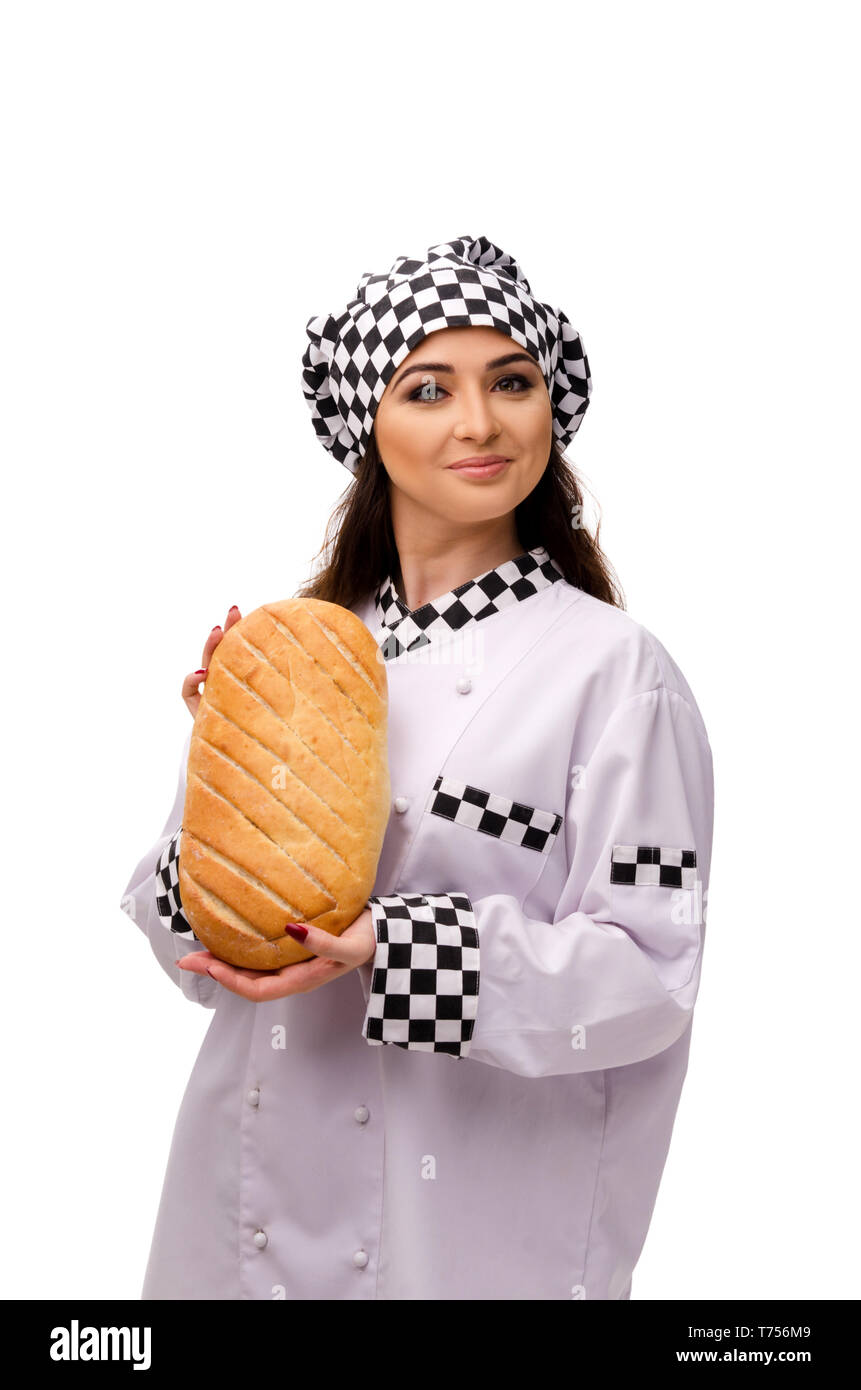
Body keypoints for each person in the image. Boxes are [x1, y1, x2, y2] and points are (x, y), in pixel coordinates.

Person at [119, 234, 714, 1300]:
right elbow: (192, 958)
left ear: (552, 410)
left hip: (472, 1246)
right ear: (371, 430)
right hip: (236, 1226)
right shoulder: (298, 655)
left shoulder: (618, 674)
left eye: (513, 383)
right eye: (429, 389)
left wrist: (387, 947)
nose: (480, 423)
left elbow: (648, 978)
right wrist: (224, 784)